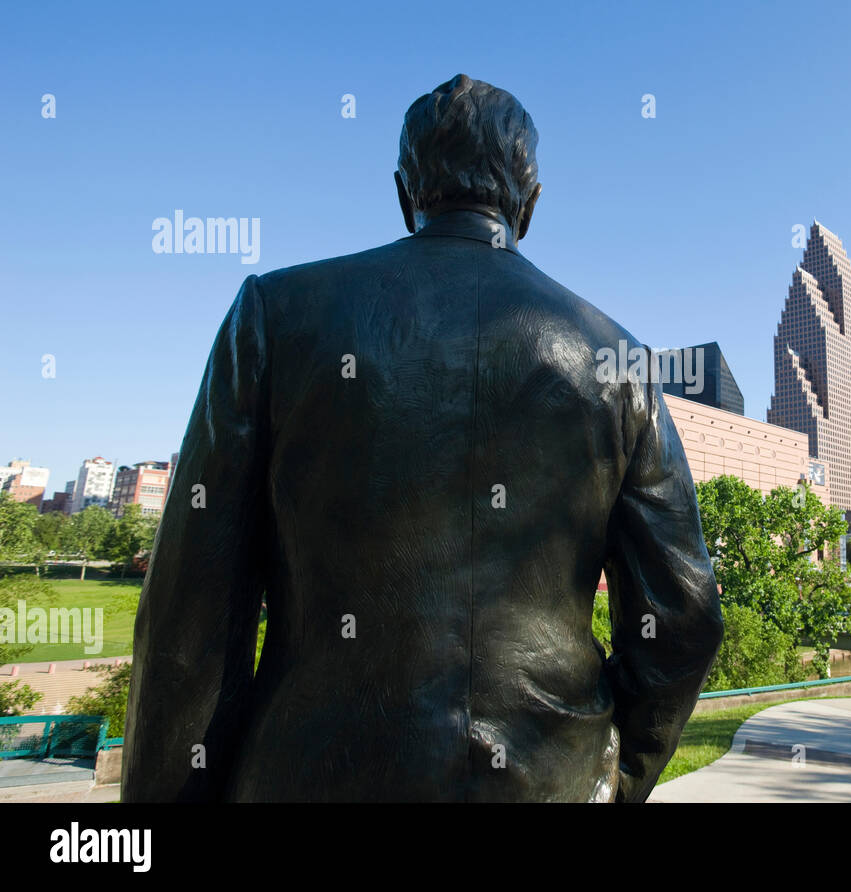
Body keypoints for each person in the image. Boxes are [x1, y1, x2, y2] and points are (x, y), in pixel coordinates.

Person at [122, 74, 723, 802]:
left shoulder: (274, 316)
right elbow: (683, 616)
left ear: (406, 191)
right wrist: (612, 776)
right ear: (529, 203)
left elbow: (189, 617)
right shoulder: (619, 360)